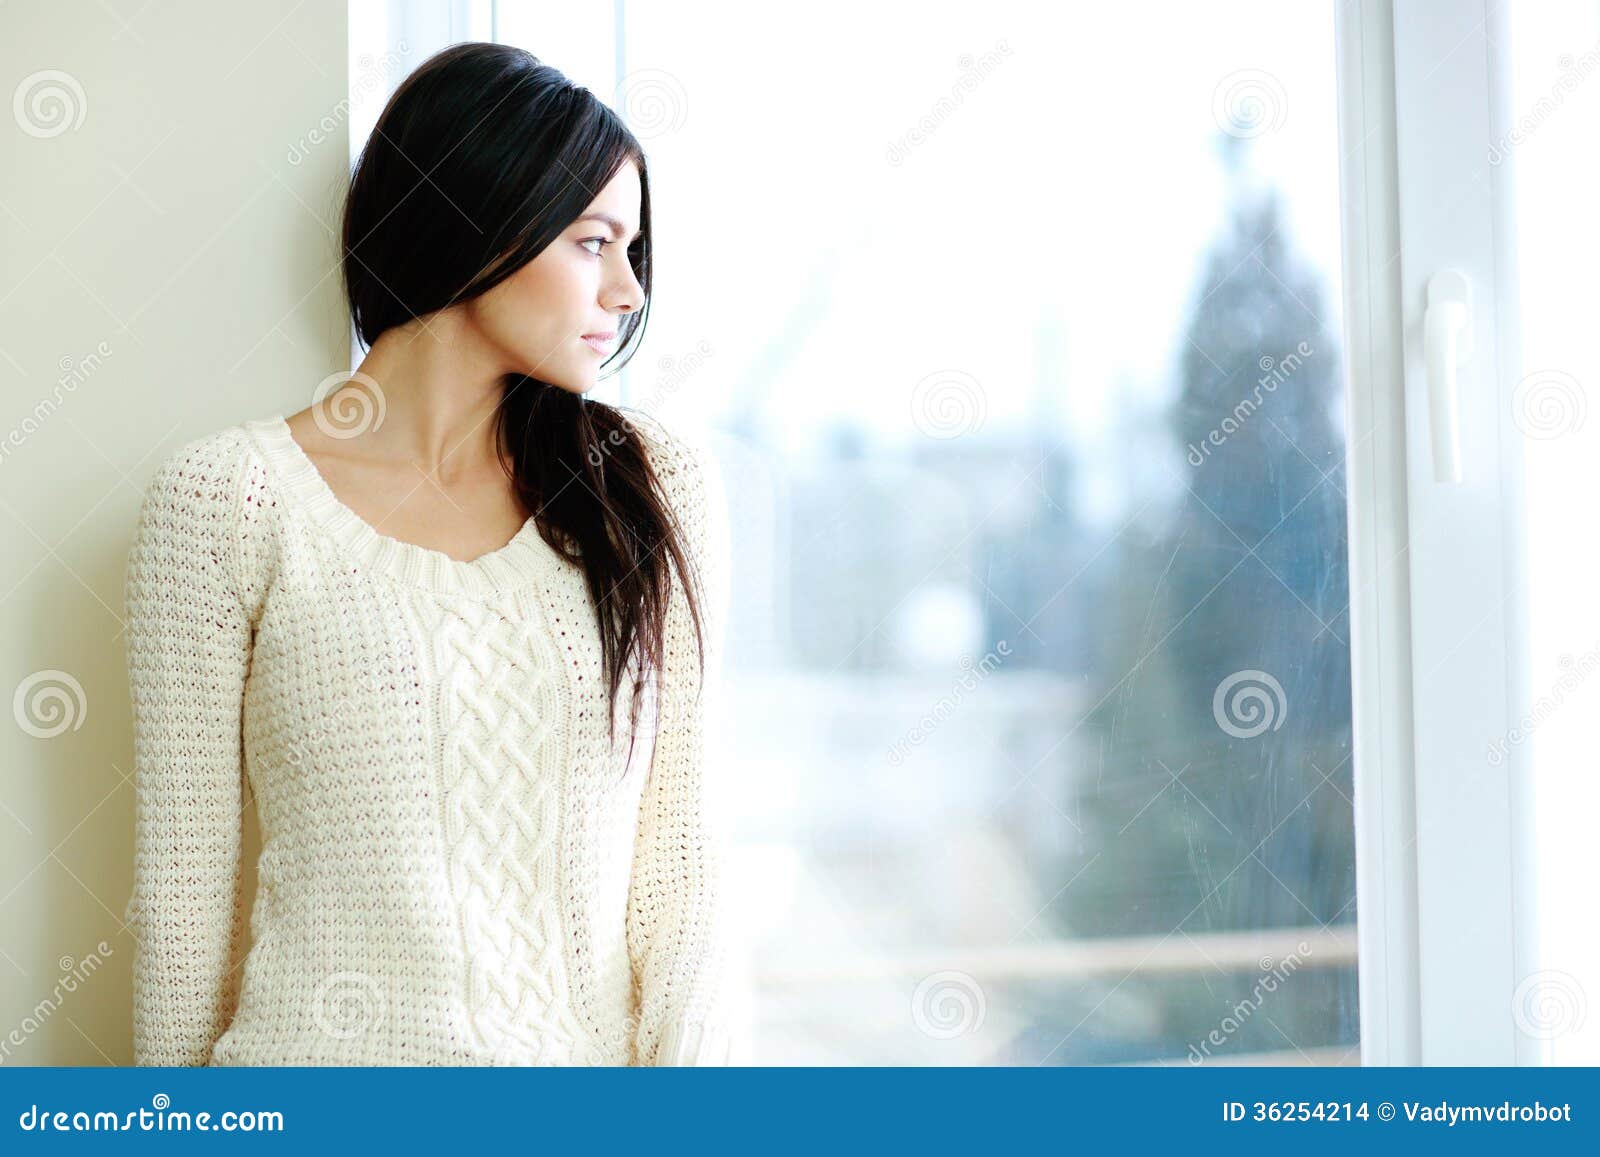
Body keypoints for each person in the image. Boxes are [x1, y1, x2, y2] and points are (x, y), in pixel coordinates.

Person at [122, 41, 737, 1066]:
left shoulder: (652, 487)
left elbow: (681, 877)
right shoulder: (225, 499)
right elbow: (187, 898)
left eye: (632, 249)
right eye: (595, 243)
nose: (627, 292)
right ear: (478, 222)